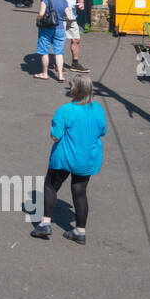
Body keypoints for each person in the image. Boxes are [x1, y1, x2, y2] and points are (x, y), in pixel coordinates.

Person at [31, 74, 105, 245]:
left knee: (50, 186)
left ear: (75, 90)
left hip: (65, 157)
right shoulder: (98, 109)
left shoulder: (65, 110)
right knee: (80, 193)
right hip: (87, 158)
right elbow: (102, 131)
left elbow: (55, 136)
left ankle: (45, 224)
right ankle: (80, 231)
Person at [48, 0, 88, 72]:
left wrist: (82, 3)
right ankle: (58, 64)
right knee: (60, 41)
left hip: (72, 16)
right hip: (60, 18)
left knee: (76, 39)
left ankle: (75, 64)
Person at [33, 0, 69, 81]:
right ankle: (61, 75)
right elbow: (69, 16)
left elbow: (41, 13)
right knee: (58, 52)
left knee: (44, 50)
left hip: (46, 28)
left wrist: (37, 20)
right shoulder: (64, 1)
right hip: (60, 28)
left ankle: (45, 73)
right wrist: (62, 18)